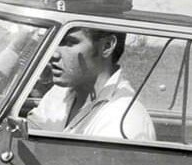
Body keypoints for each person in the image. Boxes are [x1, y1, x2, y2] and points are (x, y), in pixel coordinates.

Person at [26, 27, 155, 141]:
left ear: (107, 46)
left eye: (69, 43)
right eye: (55, 41)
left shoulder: (124, 119)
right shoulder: (59, 93)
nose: (53, 54)